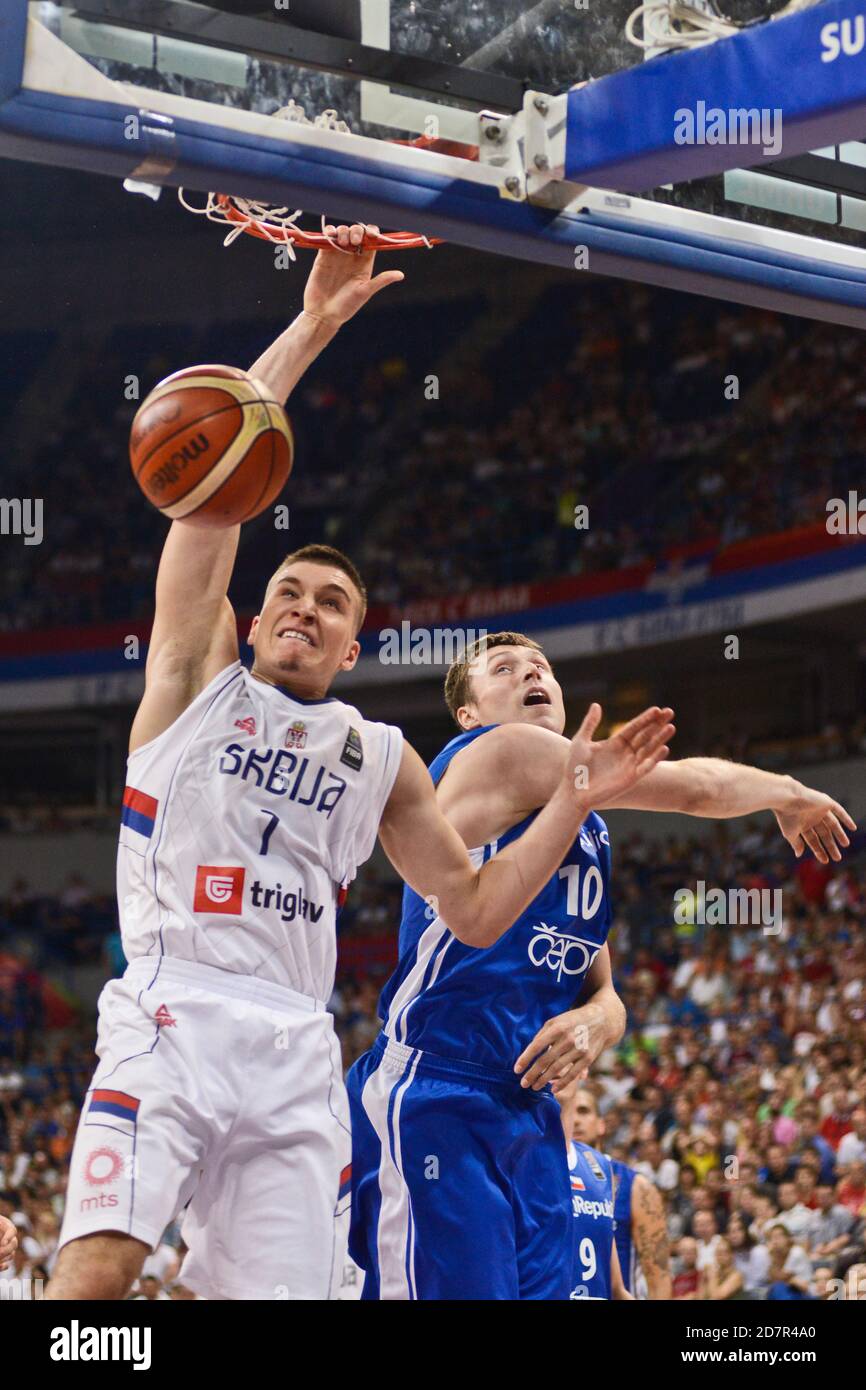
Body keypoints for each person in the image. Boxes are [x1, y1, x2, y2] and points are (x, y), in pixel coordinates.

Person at [45, 230, 662, 1304]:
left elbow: (473, 907)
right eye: (287, 591)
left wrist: (568, 800)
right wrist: (314, 325)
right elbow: (207, 479)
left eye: (330, 604)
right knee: (97, 1279)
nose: (303, 608)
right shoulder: (195, 676)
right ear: (254, 615)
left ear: (352, 646)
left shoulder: (381, 757)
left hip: (295, 1048)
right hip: (171, 1011)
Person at [349, 629, 853, 1299]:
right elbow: (694, 790)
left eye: (541, 666)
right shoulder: (501, 750)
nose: (531, 672)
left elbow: (605, 993)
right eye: (503, 668)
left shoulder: (583, 826)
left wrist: (593, 1023)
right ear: (469, 713)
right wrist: (788, 791)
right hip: (440, 1088)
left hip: (527, 1111)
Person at [571, 1084, 672, 1298]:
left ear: (601, 1125)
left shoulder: (635, 1185)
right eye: (567, 1111)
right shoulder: (546, 1179)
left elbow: (659, 1277)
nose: (575, 1120)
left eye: (583, 1111)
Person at [558, 1079, 631, 1301]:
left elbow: (617, 1289)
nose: (578, 1120)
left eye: (585, 1111)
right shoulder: (527, 1154)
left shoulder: (600, 1165)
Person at [699, 1236, 745, 1300]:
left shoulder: (737, 1275)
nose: (719, 1256)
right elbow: (700, 1297)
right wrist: (703, 1280)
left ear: (731, 1255)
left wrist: (712, 1277)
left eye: (723, 1252)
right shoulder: (716, 1274)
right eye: (717, 1252)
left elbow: (716, 1297)